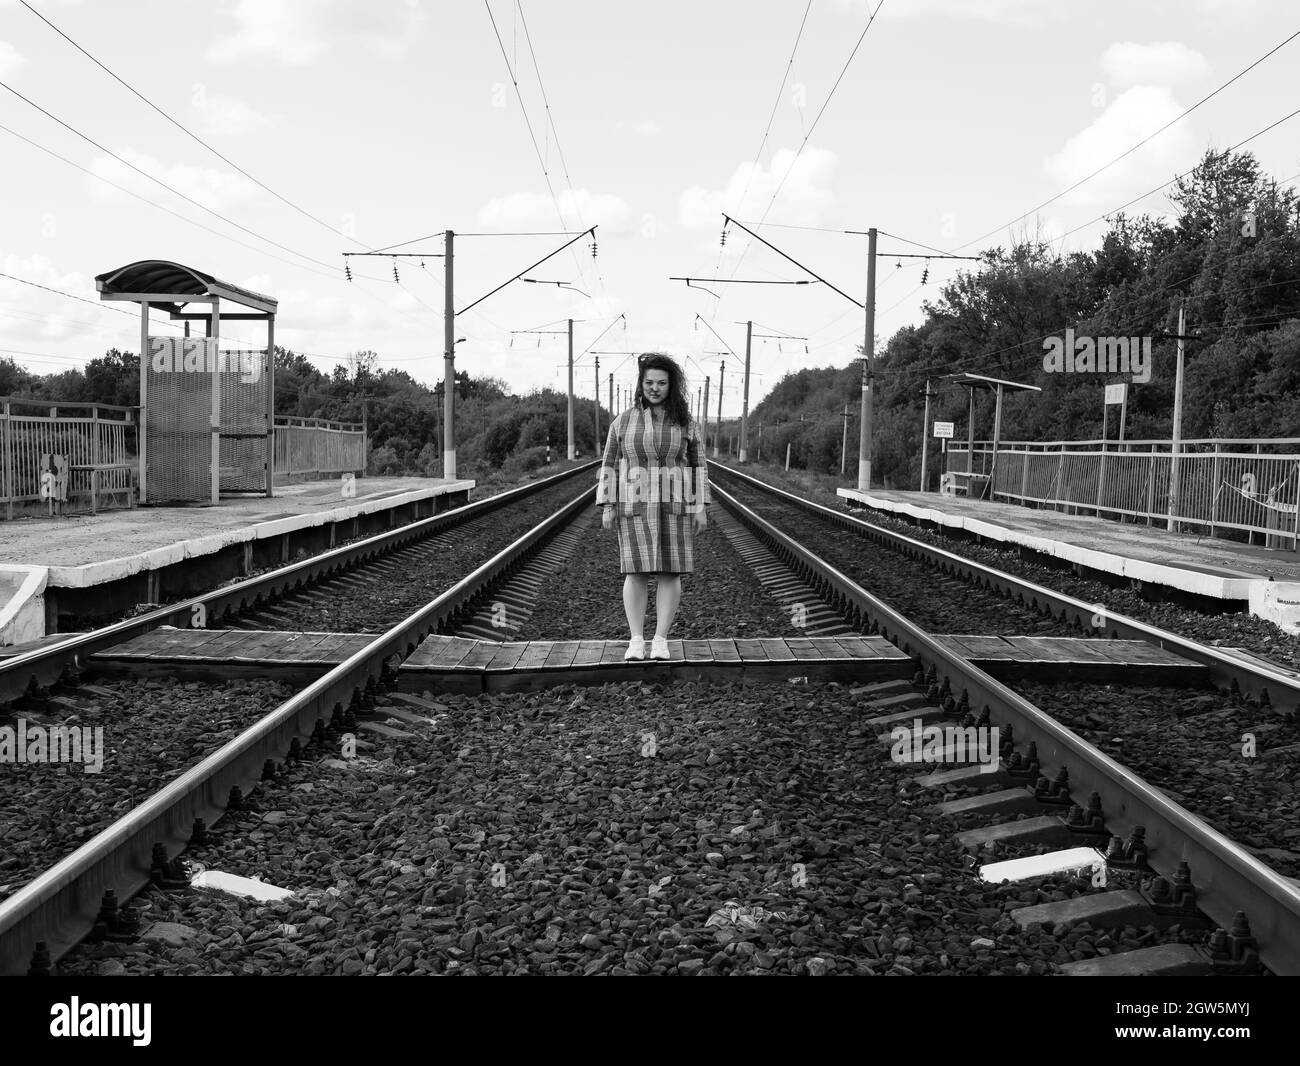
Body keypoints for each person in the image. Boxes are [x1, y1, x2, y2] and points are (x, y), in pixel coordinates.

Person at [596, 353, 709, 660]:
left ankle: (660, 640)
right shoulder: (623, 421)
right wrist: (608, 504)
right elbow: (608, 465)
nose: (655, 388)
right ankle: (635, 640)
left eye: (661, 383)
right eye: (649, 382)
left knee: (670, 573)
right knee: (635, 573)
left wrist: (699, 506)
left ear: (671, 386)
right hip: (634, 504)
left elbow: (699, 466)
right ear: (641, 384)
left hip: (675, 505)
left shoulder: (686, 423)